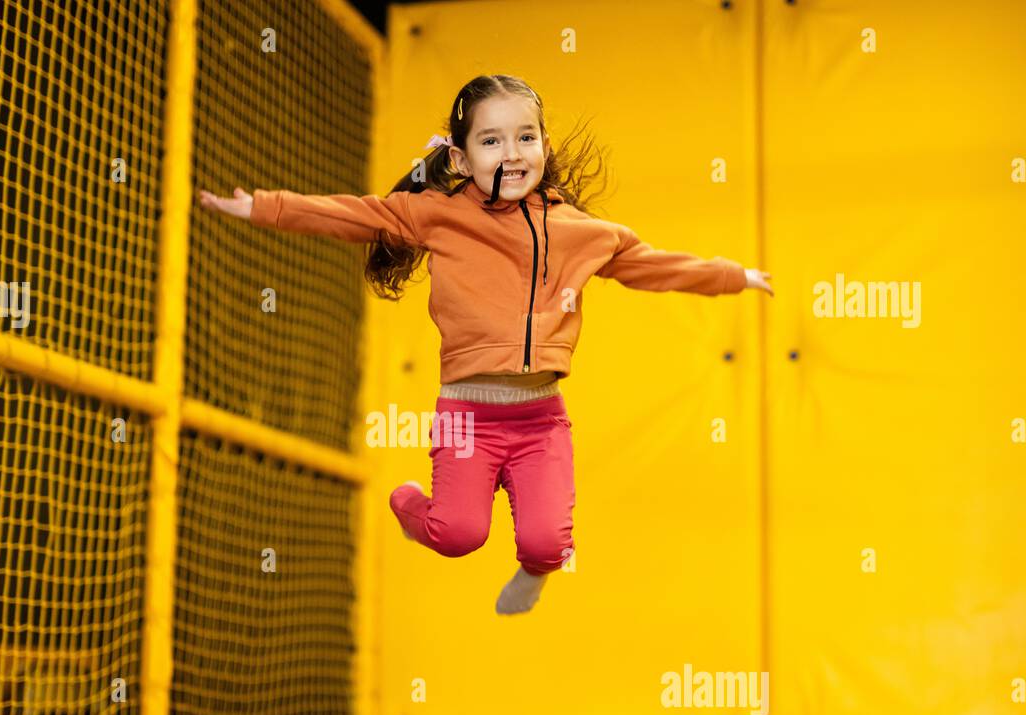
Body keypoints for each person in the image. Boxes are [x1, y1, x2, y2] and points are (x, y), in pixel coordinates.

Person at [197, 74, 772, 615]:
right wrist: (264, 207)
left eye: (525, 137)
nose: (512, 154)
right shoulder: (437, 217)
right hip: (464, 412)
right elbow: (354, 215)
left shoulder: (580, 232)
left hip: (540, 417)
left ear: (544, 144)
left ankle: (534, 571)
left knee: (549, 546)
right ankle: (406, 504)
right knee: (458, 536)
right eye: (491, 141)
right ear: (460, 157)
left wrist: (732, 276)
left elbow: (653, 266)